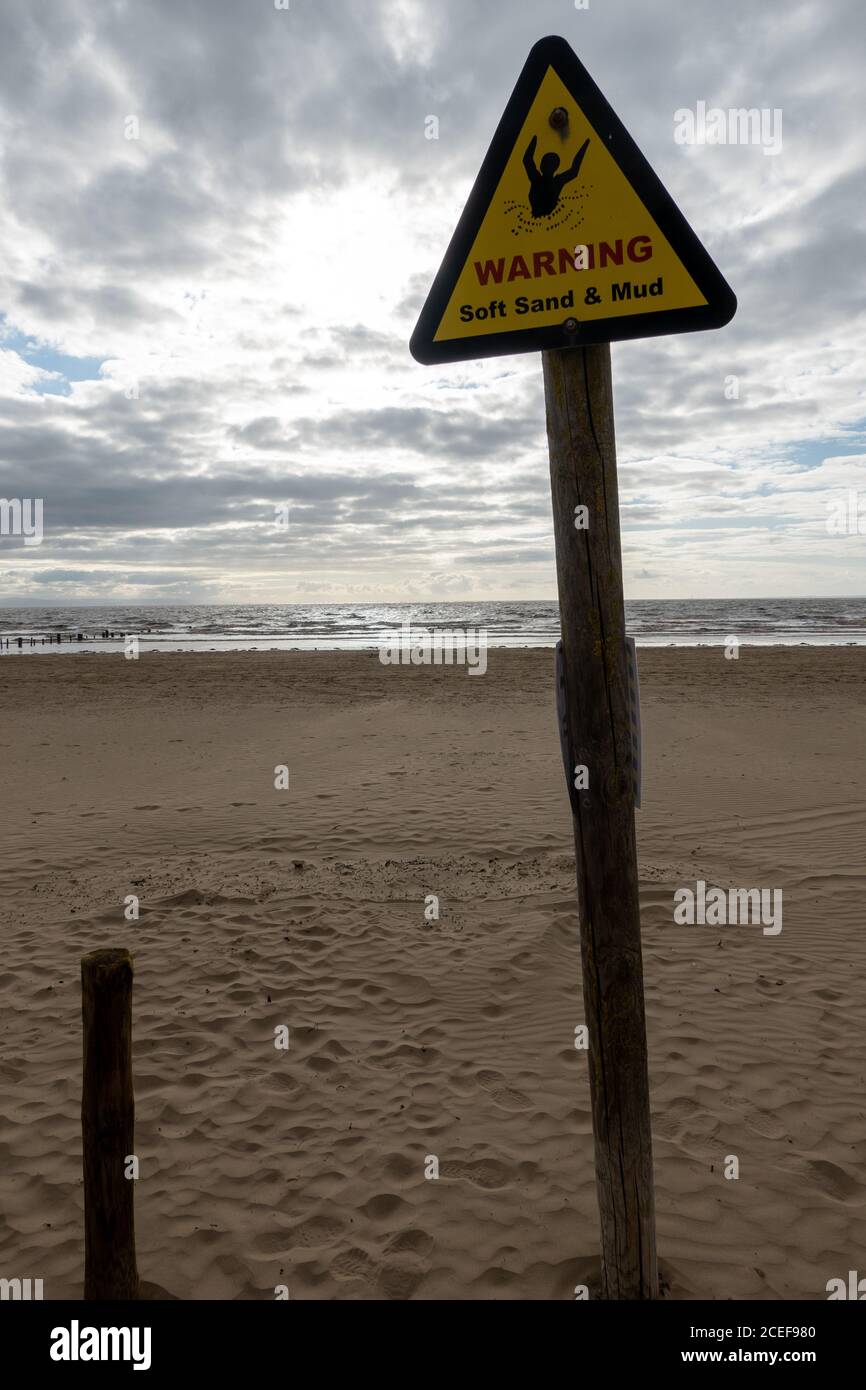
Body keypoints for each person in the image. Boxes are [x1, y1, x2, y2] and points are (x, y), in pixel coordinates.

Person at [522, 134, 590, 218]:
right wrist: (535, 136)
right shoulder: (537, 178)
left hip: (546, 217)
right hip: (535, 215)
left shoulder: (556, 182)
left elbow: (574, 171)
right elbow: (527, 160)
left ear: (555, 167)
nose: (547, 166)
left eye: (550, 164)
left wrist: (585, 145)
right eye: (546, 163)